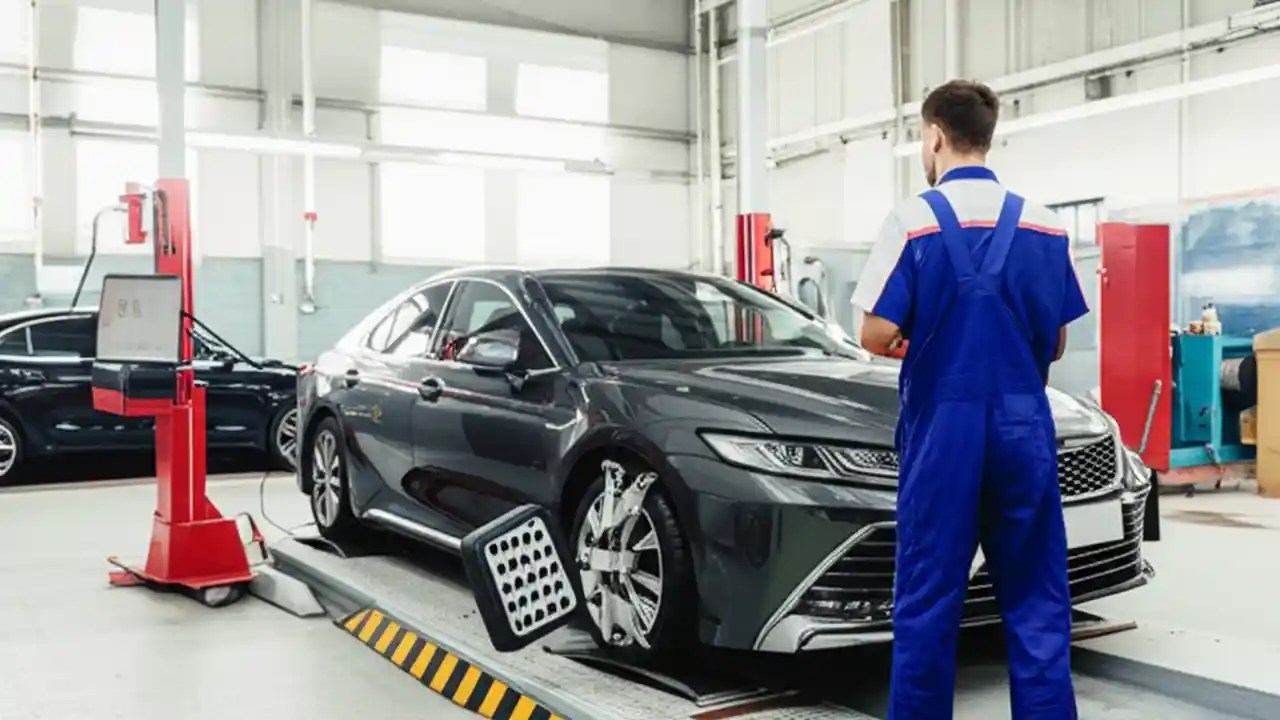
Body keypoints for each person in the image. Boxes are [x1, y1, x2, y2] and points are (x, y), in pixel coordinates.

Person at [852, 79, 1087, 719]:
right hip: (1023, 428)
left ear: (934, 136)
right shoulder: (1046, 224)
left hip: (943, 436)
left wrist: (927, 338)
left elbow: (874, 333)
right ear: (988, 135)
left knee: (928, 598)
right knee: (1037, 597)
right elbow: (1057, 341)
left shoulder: (911, 220)